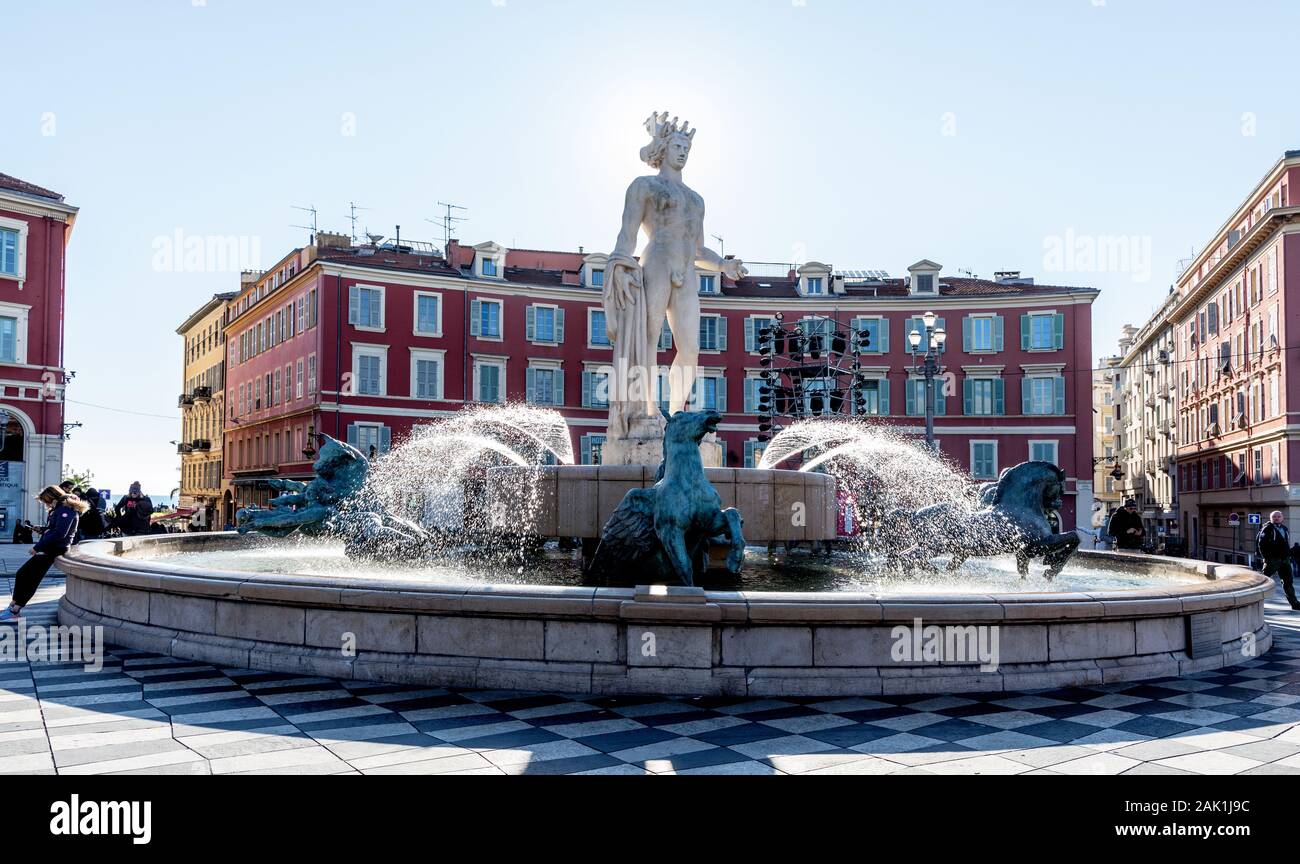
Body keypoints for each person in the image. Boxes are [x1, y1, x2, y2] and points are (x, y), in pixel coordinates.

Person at [0, 485, 89, 622]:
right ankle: (13, 606)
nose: (45, 504)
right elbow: (54, 529)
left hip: (54, 548)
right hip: (52, 546)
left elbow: (60, 533)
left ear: (51, 498)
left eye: (45, 501)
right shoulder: (60, 508)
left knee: (30, 577)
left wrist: (38, 546)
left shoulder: (65, 509)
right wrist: (41, 529)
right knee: (24, 574)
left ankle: (15, 609)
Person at [1257, 512, 1299, 611]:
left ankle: (1294, 603)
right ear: (1271, 518)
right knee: (1262, 581)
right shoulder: (1267, 529)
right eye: (1274, 517)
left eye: (1279, 516)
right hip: (1273, 560)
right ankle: (1255, 601)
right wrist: (1268, 558)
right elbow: (1261, 545)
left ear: (1282, 518)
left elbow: (1285, 544)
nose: (1276, 518)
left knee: (1288, 582)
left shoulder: (1285, 529)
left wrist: (1288, 554)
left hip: (1285, 560)